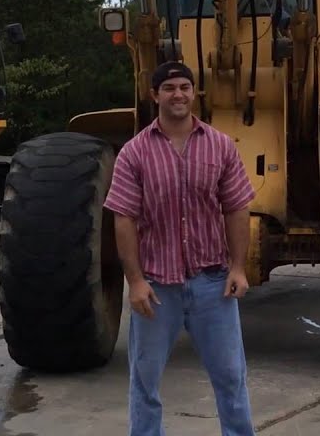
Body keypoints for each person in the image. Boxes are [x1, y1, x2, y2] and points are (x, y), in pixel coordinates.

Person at [104, 61, 257, 436]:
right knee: (145, 382)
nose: (178, 94)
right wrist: (135, 282)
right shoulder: (133, 153)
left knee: (231, 378)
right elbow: (123, 218)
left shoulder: (220, 146)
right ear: (154, 95)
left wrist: (238, 267)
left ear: (194, 93)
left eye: (185, 87)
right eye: (169, 87)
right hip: (157, 289)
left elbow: (237, 206)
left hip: (213, 284)